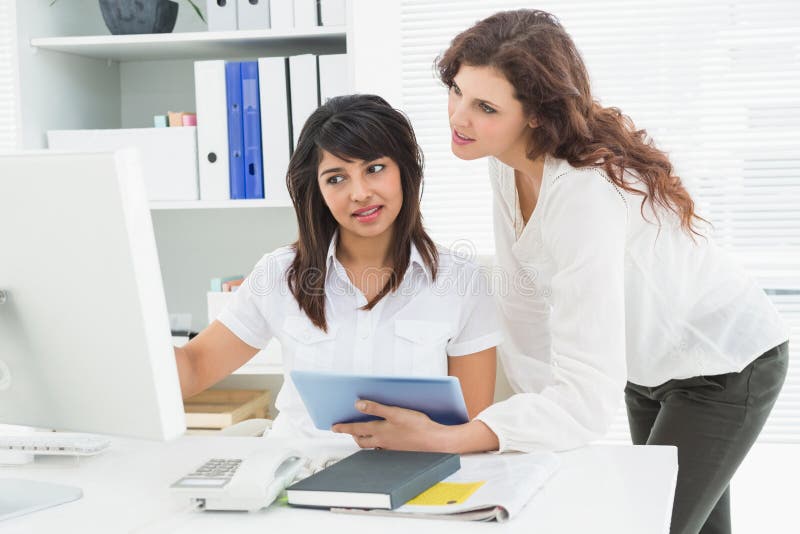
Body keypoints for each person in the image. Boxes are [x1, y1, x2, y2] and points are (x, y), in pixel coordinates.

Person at [331, 10, 789, 534]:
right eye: (457, 90)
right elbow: (524, 308)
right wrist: (522, 438)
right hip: (647, 365)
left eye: (484, 106)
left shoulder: (584, 194)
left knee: (654, 521)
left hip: (723, 365)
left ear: (534, 114)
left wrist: (454, 436)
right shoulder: (504, 161)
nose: (458, 117)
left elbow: (586, 402)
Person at [175, 94, 501, 441]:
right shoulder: (280, 274)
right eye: (336, 178)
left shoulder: (460, 279)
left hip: (412, 475)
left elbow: (469, 430)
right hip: (296, 473)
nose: (359, 193)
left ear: (405, 171)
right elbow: (194, 369)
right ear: (317, 190)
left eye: (374, 169)